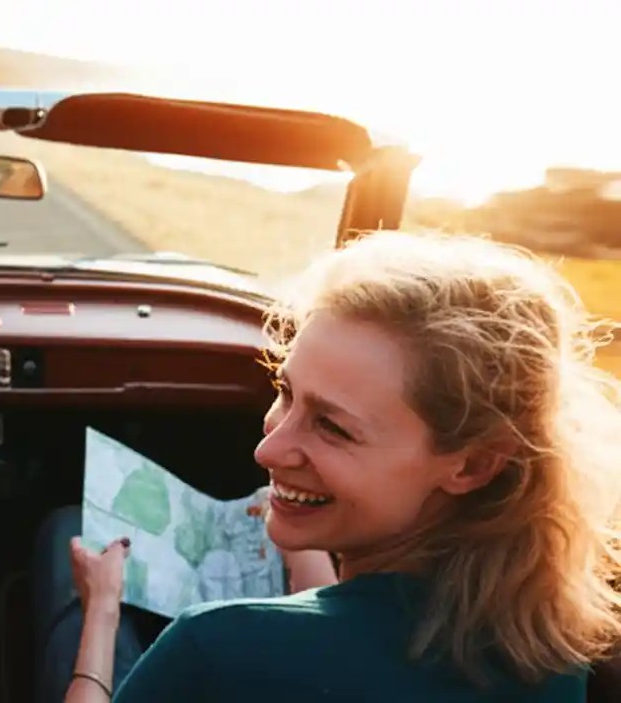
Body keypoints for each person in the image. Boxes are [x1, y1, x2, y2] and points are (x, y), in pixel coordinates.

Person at [37, 229, 621, 701]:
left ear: (471, 466)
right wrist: (302, 539)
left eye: (333, 427)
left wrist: (103, 612)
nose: (267, 452)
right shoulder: (557, 655)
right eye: (285, 392)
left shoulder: (213, 650)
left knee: (63, 533)